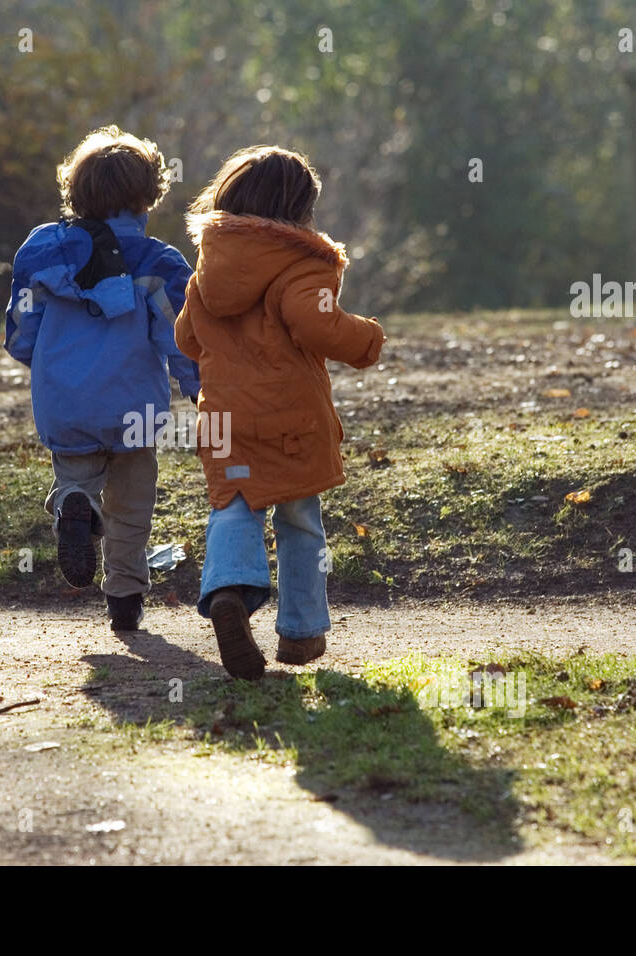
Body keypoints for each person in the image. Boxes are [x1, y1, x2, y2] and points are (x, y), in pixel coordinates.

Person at [174, 145, 385, 678]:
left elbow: (185, 337)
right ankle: (300, 630)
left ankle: (228, 592)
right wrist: (366, 338)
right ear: (297, 211)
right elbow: (315, 324)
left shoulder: (209, 269)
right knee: (298, 519)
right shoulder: (302, 263)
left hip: (223, 420)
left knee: (232, 505)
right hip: (288, 418)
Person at [4, 126, 199, 631]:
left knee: (76, 474)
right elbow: (179, 338)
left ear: (75, 189)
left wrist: (40, 363)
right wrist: (200, 387)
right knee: (132, 506)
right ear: (148, 194)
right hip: (134, 407)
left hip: (66, 402)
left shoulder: (41, 252)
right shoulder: (160, 263)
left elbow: (22, 325)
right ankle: (125, 599)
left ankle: (75, 501)